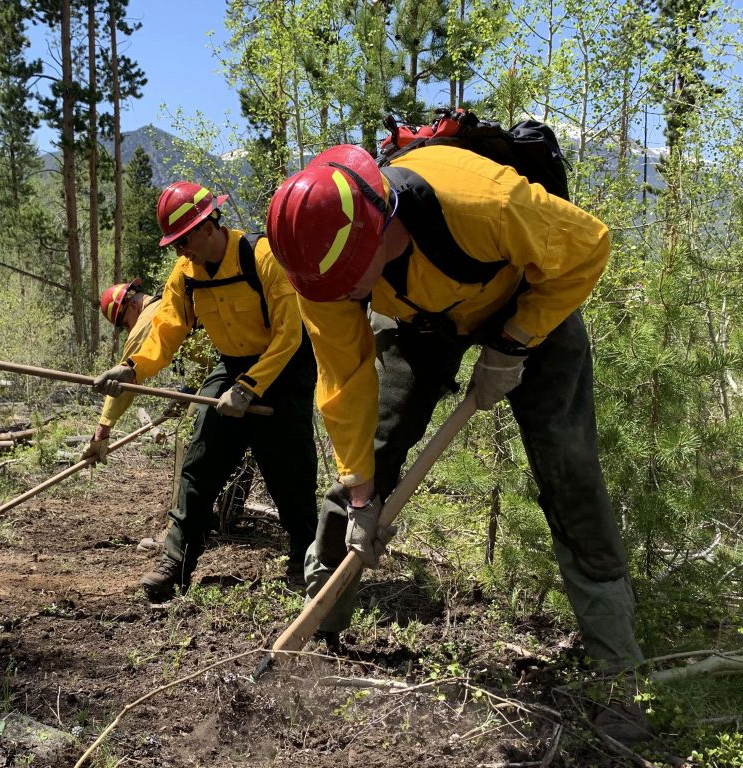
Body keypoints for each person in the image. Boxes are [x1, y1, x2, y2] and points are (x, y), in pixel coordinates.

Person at [265, 143, 646, 679]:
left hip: (532, 303)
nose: (341, 295)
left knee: (569, 470)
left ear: (375, 230)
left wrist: (516, 341)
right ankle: (319, 616)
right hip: (423, 324)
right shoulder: (318, 267)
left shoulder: (485, 203)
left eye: (348, 280)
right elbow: (344, 383)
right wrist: (360, 493)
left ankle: (617, 663)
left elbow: (588, 245)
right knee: (371, 453)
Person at [93, 181, 318, 601]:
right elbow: (167, 331)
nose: (180, 251)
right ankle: (175, 564)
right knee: (200, 463)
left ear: (209, 224)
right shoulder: (186, 273)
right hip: (233, 364)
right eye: (174, 243)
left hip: (284, 366)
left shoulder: (263, 256)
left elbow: (290, 335)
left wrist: (250, 389)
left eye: (183, 240)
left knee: (290, 472)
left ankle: (305, 561)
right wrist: (131, 369)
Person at [80, 278, 163, 465]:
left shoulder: (147, 318)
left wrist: (101, 433)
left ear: (132, 304)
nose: (128, 329)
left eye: (125, 323)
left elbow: (124, 379)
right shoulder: (159, 306)